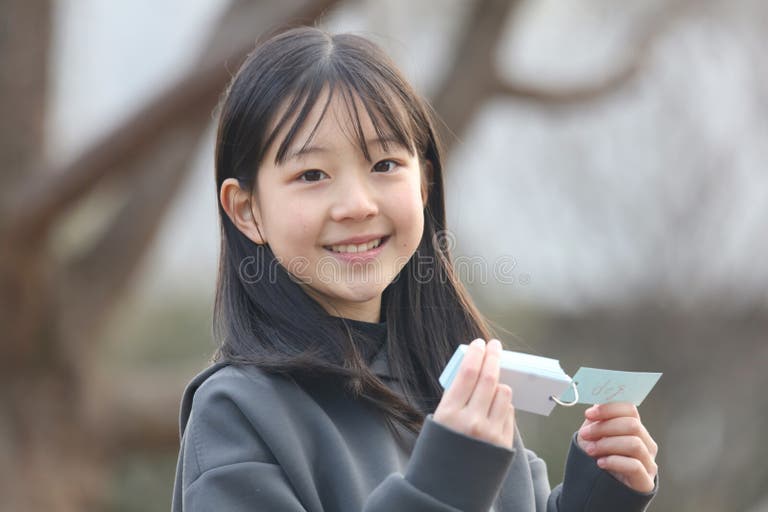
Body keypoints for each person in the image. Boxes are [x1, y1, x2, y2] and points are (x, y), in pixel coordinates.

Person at [171, 26, 659, 512]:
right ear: (246, 210)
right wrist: (442, 486)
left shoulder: (460, 389)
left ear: (424, 184)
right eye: (311, 175)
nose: (357, 205)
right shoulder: (236, 413)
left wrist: (595, 500)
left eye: (384, 165)